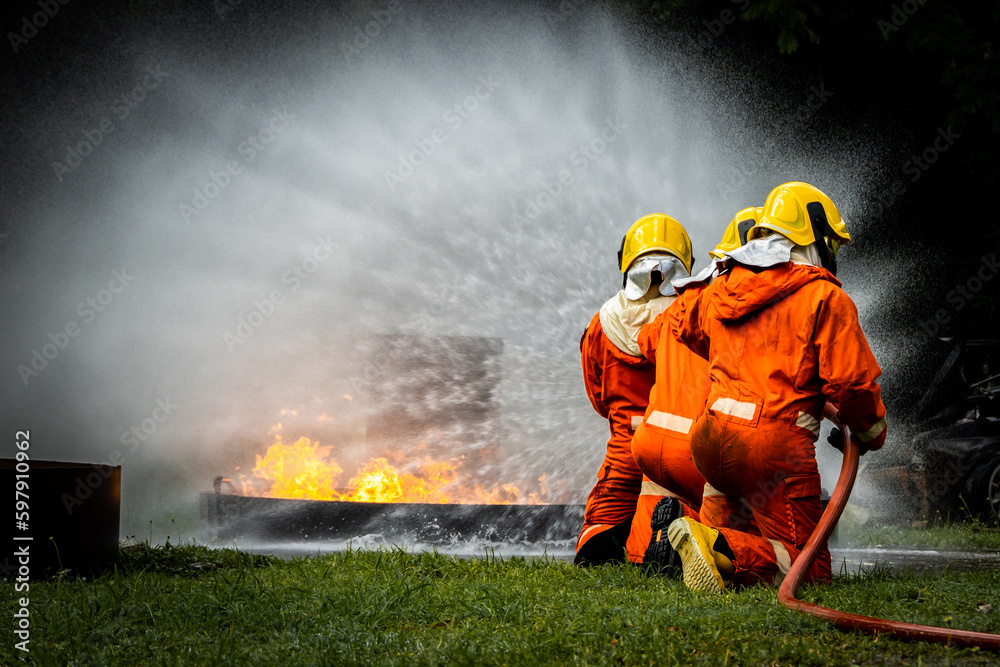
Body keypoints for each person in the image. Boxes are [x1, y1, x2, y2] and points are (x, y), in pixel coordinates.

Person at [666, 182, 887, 592]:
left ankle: (709, 548)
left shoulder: (723, 287)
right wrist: (873, 433)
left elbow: (683, 322)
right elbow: (852, 386)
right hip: (772, 453)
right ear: (814, 238)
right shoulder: (825, 298)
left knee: (731, 534)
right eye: (831, 244)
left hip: (710, 440)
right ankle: (717, 544)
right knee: (811, 568)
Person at [631, 207, 760, 565]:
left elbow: (647, 341)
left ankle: (644, 551)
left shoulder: (686, 300)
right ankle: (701, 551)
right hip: (700, 448)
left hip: (650, 440)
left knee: (657, 488)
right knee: (746, 496)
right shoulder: (752, 308)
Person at [575, 213, 694, 566]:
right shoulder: (691, 315)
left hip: (624, 451)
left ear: (626, 262)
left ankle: (618, 537)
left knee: (599, 527)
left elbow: (597, 396)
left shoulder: (601, 323)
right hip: (681, 452)